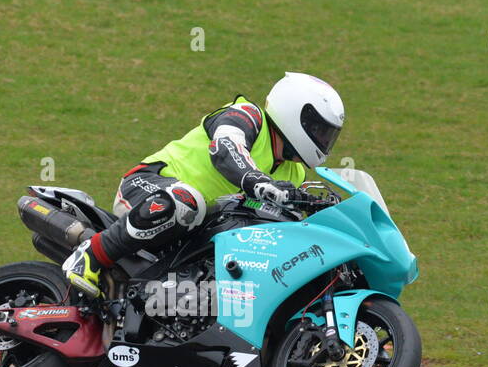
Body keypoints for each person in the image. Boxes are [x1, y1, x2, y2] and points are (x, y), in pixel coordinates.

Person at [63, 72, 345, 297]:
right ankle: (92, 254)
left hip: (197, 232)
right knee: (188, 201)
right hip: (148, 188)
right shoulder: (248, 115)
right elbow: (225, 148)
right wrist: (256, 181)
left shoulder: (294, 174)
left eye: (328, 134)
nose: (323, 140)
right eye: (319, 130)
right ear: (294, 112)